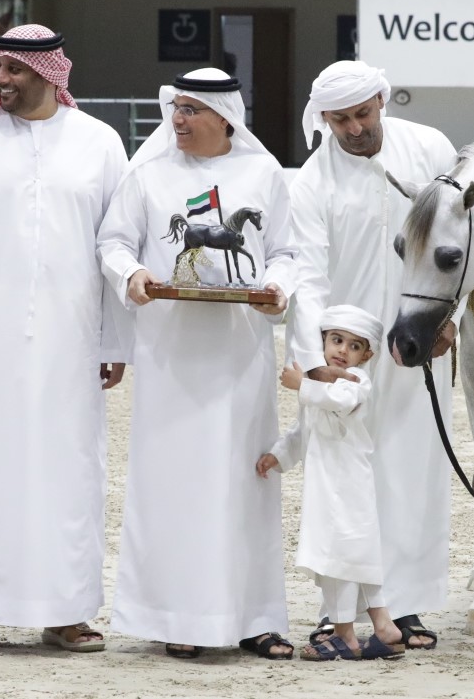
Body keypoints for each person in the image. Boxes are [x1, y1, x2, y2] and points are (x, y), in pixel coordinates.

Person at [0, 25, 130, 654]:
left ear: (52, 72)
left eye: (15, 71)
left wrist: (114, 341)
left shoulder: (99, 143)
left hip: (73, 343)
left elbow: (116, 245)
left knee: (71, 473)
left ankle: (67, 611)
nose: (2, 82)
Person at [97, 68, 303, 661]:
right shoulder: (148, 175)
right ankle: (176, 616)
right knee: (176, 486)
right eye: (175, 109)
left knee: (245, 482)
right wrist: (133, 275)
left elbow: (288, 252)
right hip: (171, 359)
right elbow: (113, 243)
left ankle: (256, 616)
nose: (178, 120)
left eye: (191, 110)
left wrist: (275, 286)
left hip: (241, 358)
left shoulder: (263, 174)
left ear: (224, 117)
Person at [283, 60, 457, 652]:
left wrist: (450, 320)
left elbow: (464, 241)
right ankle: (345, 614)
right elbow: (306, 278)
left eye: (363, 113)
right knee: (346, 486)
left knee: (413, 473)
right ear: (324, 119)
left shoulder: (431, 148)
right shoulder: (311, 181)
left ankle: (405, 608)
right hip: (348, 357)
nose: (355, 128)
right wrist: (315, 358)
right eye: (340, 119)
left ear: (382, 100)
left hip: (420, 341)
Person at [258, 305, 406, 662]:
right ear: (322, 342)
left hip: (347, 482)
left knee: (339, 555)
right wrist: (279, 455)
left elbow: (337, 401)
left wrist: (302, 384)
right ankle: (385, 628)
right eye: (336, 340)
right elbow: (302, 429)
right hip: (327, 483)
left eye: (354, 346)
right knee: (354, 554)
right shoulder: (322, 385)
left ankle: (344, 636)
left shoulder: (357, 383)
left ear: (366, 355)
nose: (342, 350)